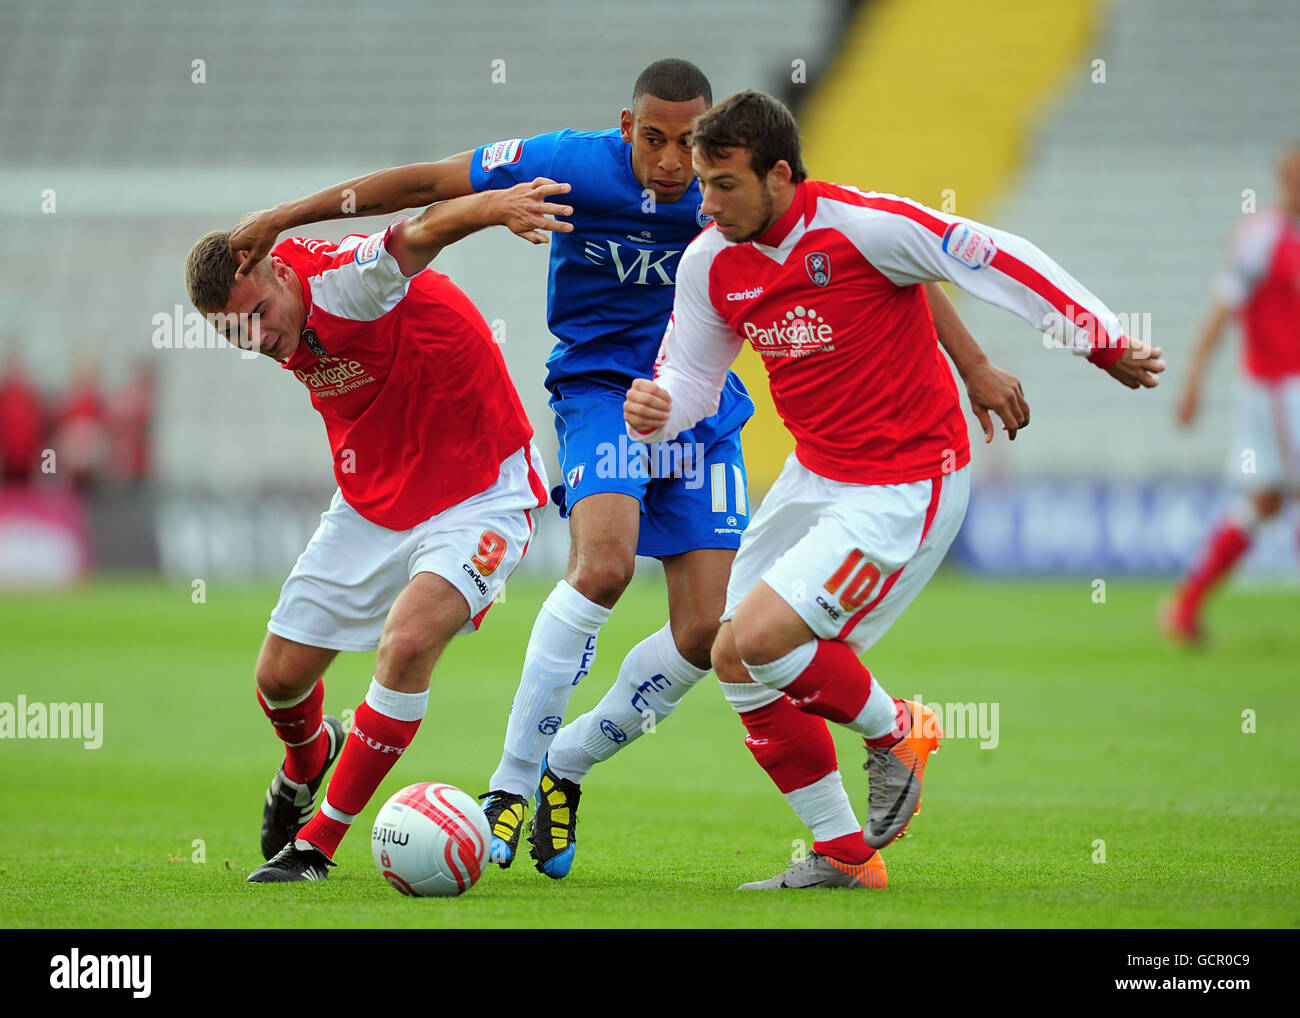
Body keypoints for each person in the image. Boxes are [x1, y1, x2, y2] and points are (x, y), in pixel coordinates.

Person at [229, 59, 1020, 881]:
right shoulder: (570, 165)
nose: (676, 164)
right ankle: (511, 785)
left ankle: (579, 768)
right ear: (625, 128)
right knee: (603, 567)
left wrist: (974, 366)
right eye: (655, 140)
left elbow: (886, 258)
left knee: (710, 637)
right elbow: (424, 182)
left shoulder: (734, 187)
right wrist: (285, 217)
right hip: (604, 391)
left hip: (702, 408)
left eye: (690, 143)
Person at [624, 90, 1164, 890]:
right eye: (702, 184)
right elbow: (694, 378)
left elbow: (994, 255)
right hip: (817, 473)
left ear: (780, 174)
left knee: (766, 638)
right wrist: (659, 409)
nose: (706, 202)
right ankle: (846, 857)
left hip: (908, 480)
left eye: (724, 183)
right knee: (729, 652)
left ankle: (898, 730)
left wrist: (1097, 339)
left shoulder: (863, 226)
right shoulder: (711, 261)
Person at [185, 177, 570, 881]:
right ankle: (307, 761)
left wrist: (497, 207)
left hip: (478, 489)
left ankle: (317, 846)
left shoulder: (348, 281)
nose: (257, 339)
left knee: (408, 643)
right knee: (278, 679)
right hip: (373, 498)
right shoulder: (269, 318)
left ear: (278, 268)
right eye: (234, 332)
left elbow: (424, 227)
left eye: (260, 316)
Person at [1164, 144, 1300, 643]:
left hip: (1286, 389)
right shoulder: (1260, 237)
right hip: (1278, 388)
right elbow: (1222, 310)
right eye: (1290, 173)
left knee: (1266, 499)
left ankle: (1184, 605)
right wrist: (1194, 379)